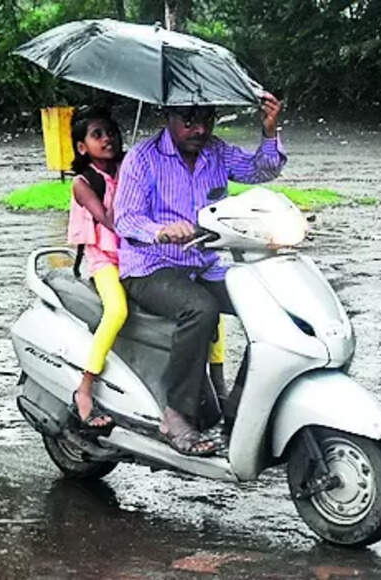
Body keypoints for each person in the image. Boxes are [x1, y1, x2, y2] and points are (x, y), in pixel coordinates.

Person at [114, 93, 286, 456]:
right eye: (189, 120)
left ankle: (243, 408)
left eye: (207, 119)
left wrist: (269, 131)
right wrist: (159, 230)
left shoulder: (217, 152)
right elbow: (126, 218)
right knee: (201, 309)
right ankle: (176, 415)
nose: (200, 129)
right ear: (167, 116)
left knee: (265, 304)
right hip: (150, 265)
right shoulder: (142, 159)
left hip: (203, 263)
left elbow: (262, 171)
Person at [66, 106, 126, 430]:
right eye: (97, 135)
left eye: (111, 132)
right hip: (104, 258)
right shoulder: (82, 182)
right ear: (81, 147)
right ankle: (85, 388)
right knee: (116, 311)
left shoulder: (127, 167)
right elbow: (109, 219)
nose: (108, 139)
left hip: (133, 255)